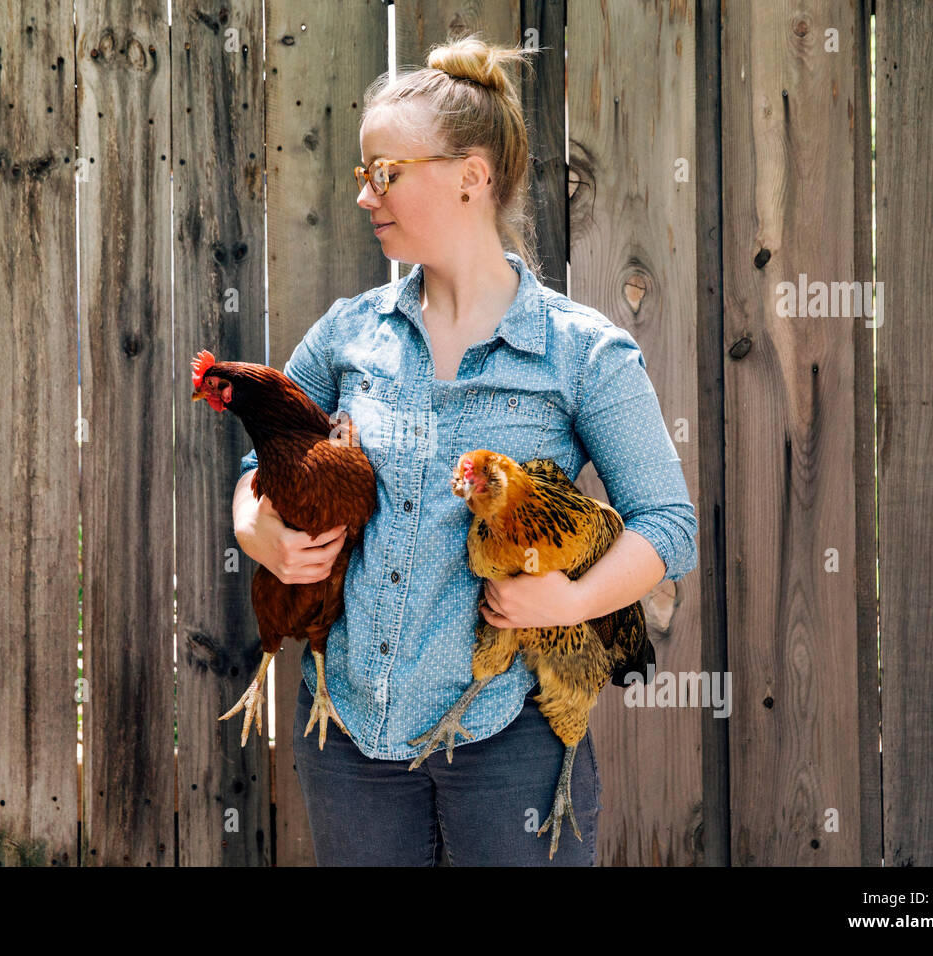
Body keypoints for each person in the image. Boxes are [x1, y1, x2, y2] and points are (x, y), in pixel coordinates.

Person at [231, 34, 697, 866]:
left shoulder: (580, 352)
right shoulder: (350, 334)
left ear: (471, 177)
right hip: (347, 737)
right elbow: (257, 467)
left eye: (387, 173)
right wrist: (253, 530)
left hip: (510, 740)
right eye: (362, 175)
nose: (367, 196)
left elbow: (668, 524)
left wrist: (569, 602)